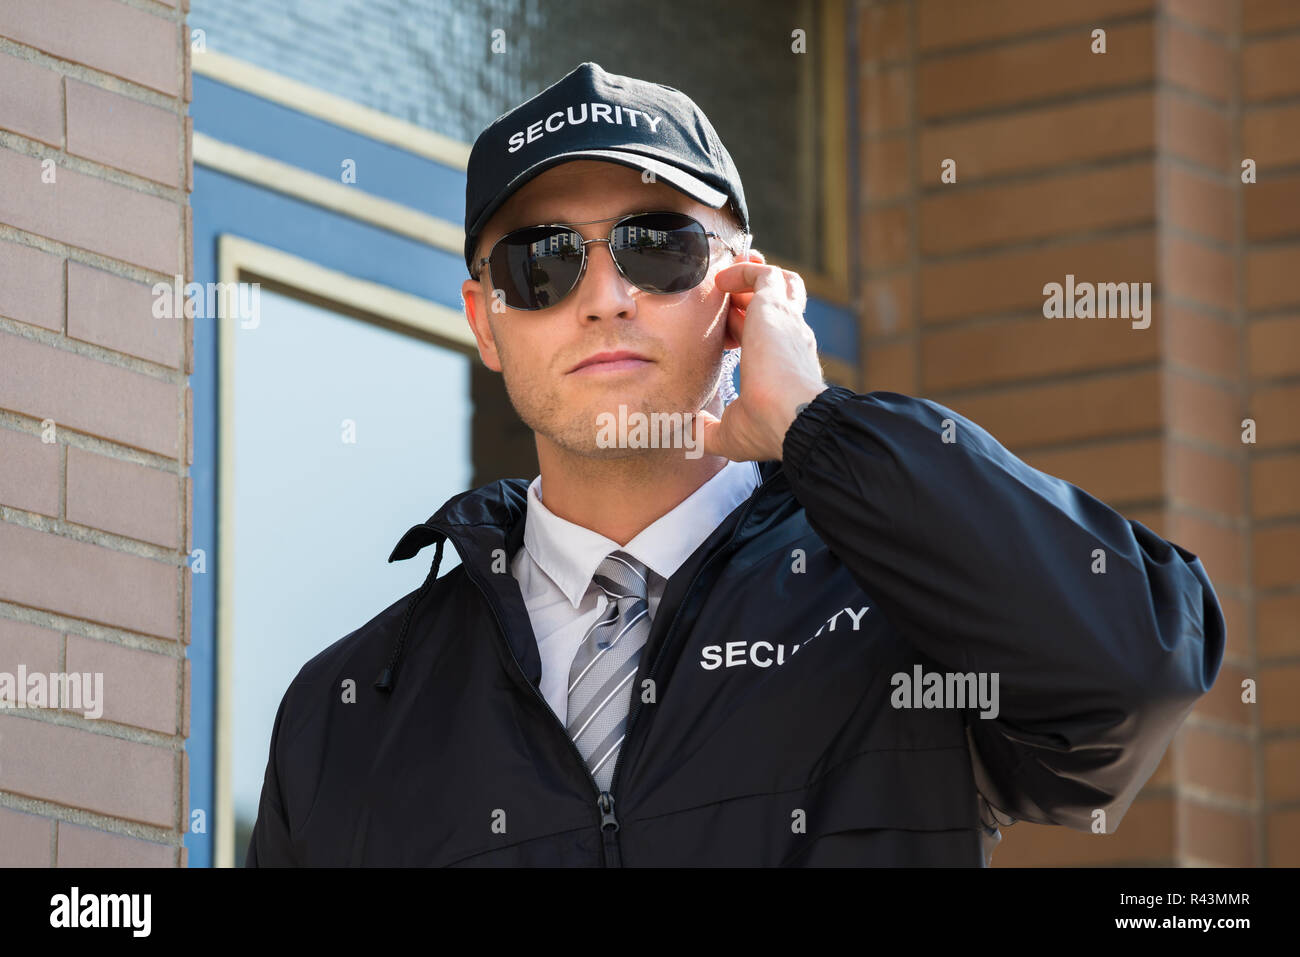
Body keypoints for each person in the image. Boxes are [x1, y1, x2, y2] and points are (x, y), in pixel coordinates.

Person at [246, 62, 1224, 866]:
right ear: (484, 323)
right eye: (539, 263)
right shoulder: (351, 710)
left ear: (747, 288)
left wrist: (814, 424)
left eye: (657, 247)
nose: (605, 297)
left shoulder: (895, 603)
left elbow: (1137, 670)